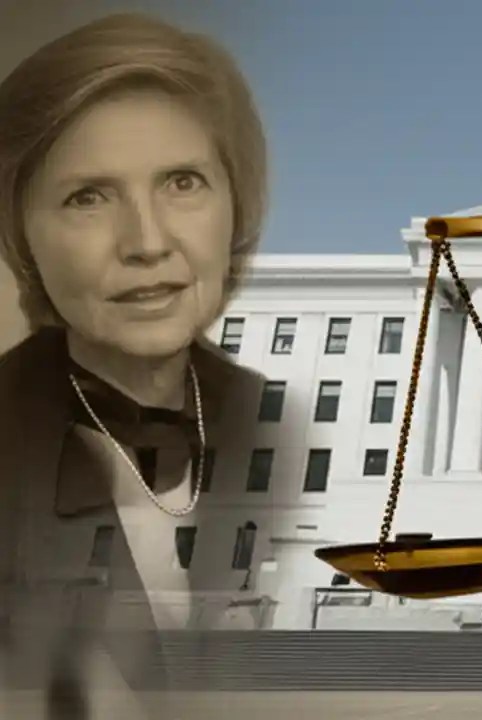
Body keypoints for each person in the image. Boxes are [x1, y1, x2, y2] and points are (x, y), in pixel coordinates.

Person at [0, 13, 268, 717]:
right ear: (20, 233)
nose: (147, 243)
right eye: (87, 196)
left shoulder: (251, 412)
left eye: (183, 183)